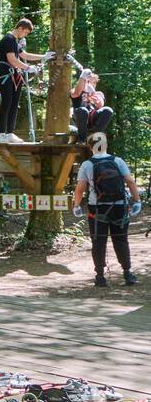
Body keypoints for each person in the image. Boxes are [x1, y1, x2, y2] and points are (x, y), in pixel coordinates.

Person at [72, 133, 140, 288]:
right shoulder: (117, 161)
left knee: (98, 242)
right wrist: (137, 201)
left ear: (90, 147)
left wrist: (76, 205)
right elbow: (130, 181)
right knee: (121, 240)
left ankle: (100, 276)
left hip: (97, 209)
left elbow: (80, 189)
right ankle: (127, 273)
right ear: (106, 144)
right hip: (119, 207)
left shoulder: (87, 165)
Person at [0, 18, 54, 143]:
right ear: (20, 28)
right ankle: (1, 133)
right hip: (6, 74)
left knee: (14, 104)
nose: (25, 35)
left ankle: (10, 133)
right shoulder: (8, 40)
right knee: (6, 102)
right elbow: (12, 59)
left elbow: (24, 55)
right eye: (25, 33)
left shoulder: (15, 41)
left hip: (15, 75)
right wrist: (28, 68)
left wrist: (44, 56)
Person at [72, 69, 115, 143]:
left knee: (108, 110)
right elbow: (76, 94)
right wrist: (83, 77)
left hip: (93, 120)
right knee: (82, 110)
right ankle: (82, 140)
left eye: (95, 82)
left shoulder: (98, 93)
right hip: (80, 120)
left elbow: (100, 104)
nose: (92, 84)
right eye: (89, 81)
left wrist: (93, 96)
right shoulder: (75, 90)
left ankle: (94, 136)